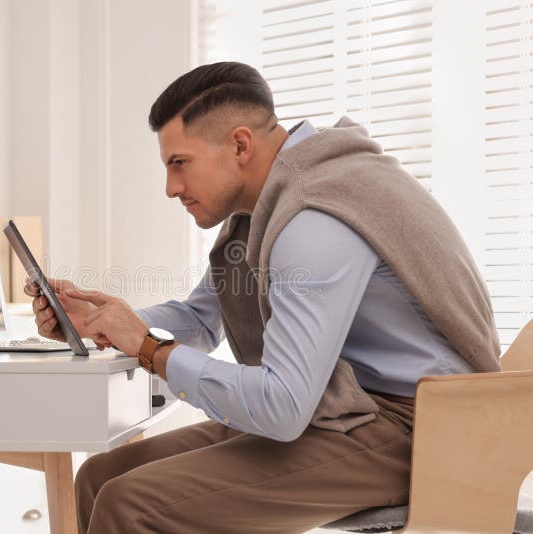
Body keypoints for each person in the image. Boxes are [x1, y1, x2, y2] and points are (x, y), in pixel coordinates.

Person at [26, 61, 501, 534]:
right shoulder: (264, 211)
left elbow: (282, 405)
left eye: (179, 164)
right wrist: (102, 320)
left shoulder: (316, 216)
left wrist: (150, 350)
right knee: (100, 476)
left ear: (239, 145)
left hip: (419, 429)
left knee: (132, 504)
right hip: (344, 407)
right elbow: (199, 317)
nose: (171, 189)